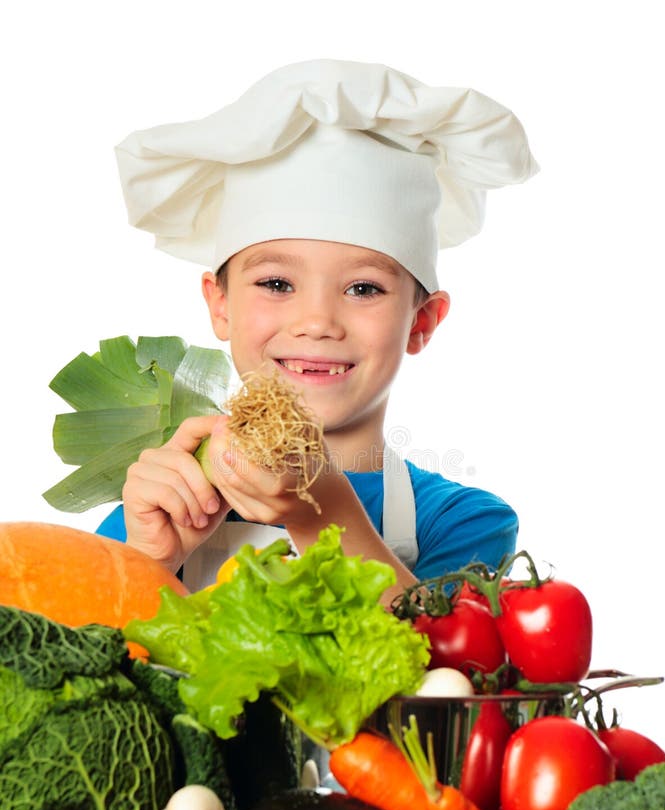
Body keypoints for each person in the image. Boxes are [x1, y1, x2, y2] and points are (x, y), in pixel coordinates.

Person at [97, 59, 538, 607]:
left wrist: (320, 511)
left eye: (363, 289)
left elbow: (446, 653)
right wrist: (149, 563)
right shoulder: (156, 508)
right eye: (277, 283)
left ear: (420, 322)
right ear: (220, 304)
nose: (316, 322)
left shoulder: (462, 520)